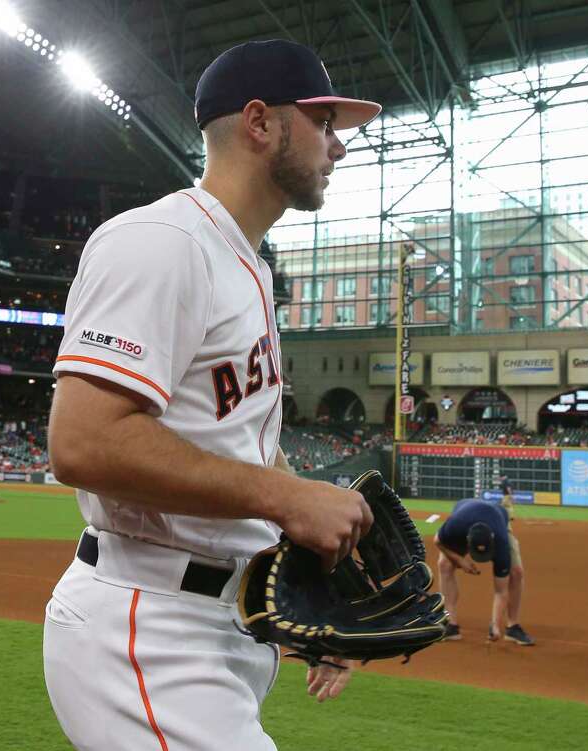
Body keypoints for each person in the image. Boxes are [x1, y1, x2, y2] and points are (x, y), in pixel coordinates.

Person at [43, 39, 381, 751]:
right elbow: (83, 440)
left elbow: (236, 440)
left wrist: (306, 569)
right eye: (323, 121)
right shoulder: (161, 241)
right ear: (260, 124)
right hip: (146, 627)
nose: (339, 147)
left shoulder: (249, 267)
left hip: (219, 622)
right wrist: (288, 500)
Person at [434, 494, 534, 646]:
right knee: (445, 565)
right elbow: (438, 541)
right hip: (464, 514)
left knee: (516, 571)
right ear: (467, 540)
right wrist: (460, 560)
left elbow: (501, 591)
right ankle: (450, 625)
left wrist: (494, 623)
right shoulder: (455, 526)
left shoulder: (500, 541)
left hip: (497, 519)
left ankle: (512, 627)